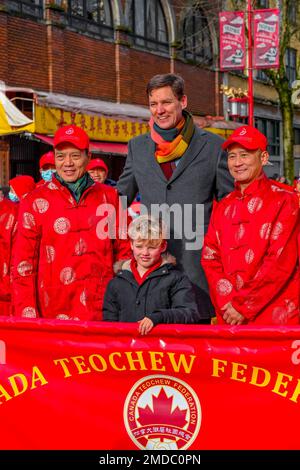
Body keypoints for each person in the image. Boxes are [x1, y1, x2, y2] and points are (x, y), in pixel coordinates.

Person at [117, 73, 233, 323]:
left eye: (166, 102)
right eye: (153, 104)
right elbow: (119, 201)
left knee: (199, 353)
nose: (160, 110)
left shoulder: (213, 146)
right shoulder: (137, 146)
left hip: (198, 271)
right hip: (153, 272)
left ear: (183, 101)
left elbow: (231, 208)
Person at [12, 124, 131, 321]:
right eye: (60, 156)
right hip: (52, 312)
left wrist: (125, 303)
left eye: (75, 156)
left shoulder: (111, 197)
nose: (67, 163)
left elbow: (125, 252)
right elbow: (23, 266)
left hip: (103, 309)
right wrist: (28, 317)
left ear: (88, 157)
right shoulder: (34, 202)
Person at [202, 125, 300, 325]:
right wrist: (228, 303)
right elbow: (210, 257)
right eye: (232, 156)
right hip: (231, 317)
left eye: (244, 155)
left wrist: (243, 305)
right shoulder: (223, 206)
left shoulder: (285, 200)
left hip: (274, 317)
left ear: (263, 158)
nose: (237, 163)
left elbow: (279, 261)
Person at [103, 215, 200, 334]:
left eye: (152, 247)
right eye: (139, 246)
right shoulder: (116, 283)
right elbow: (109, 325)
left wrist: (158, 317)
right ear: (131, 245)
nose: (145, 253)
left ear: (163, 246)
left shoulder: (176, 279)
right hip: (126, 350)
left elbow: (189, 313)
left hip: (163, 350)